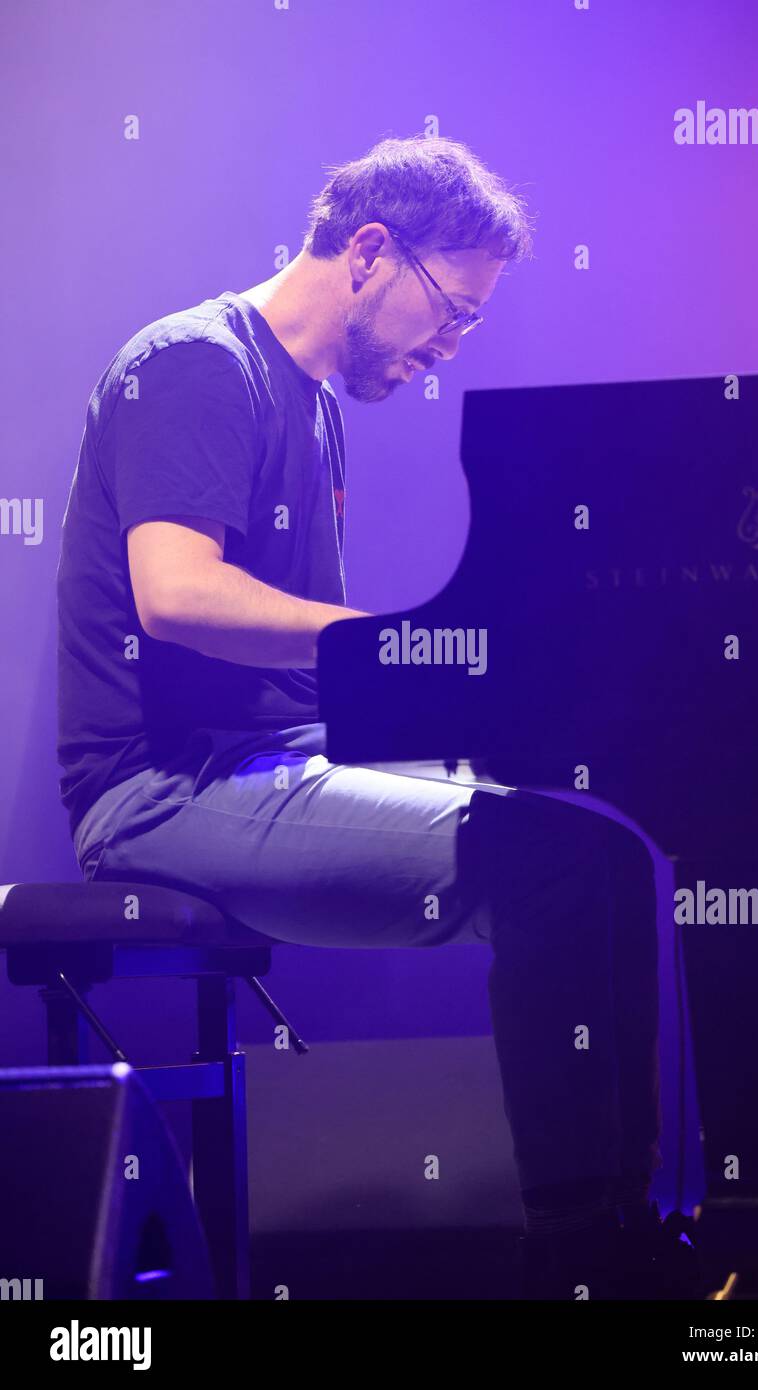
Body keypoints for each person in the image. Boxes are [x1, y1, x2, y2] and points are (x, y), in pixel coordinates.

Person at [57, 134, 676, 1299]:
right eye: (451, 310)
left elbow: (298, 679)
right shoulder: (196, 364)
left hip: (269, 763)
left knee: (595, 841)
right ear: (370, 251)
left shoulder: (317, 406)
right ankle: (582, 1254)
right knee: (551, 868)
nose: (450, 344)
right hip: (162, 795)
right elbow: (178, 597)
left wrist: (465, 712)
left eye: (470, 326)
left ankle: (627, 1228)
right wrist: (377, 640)